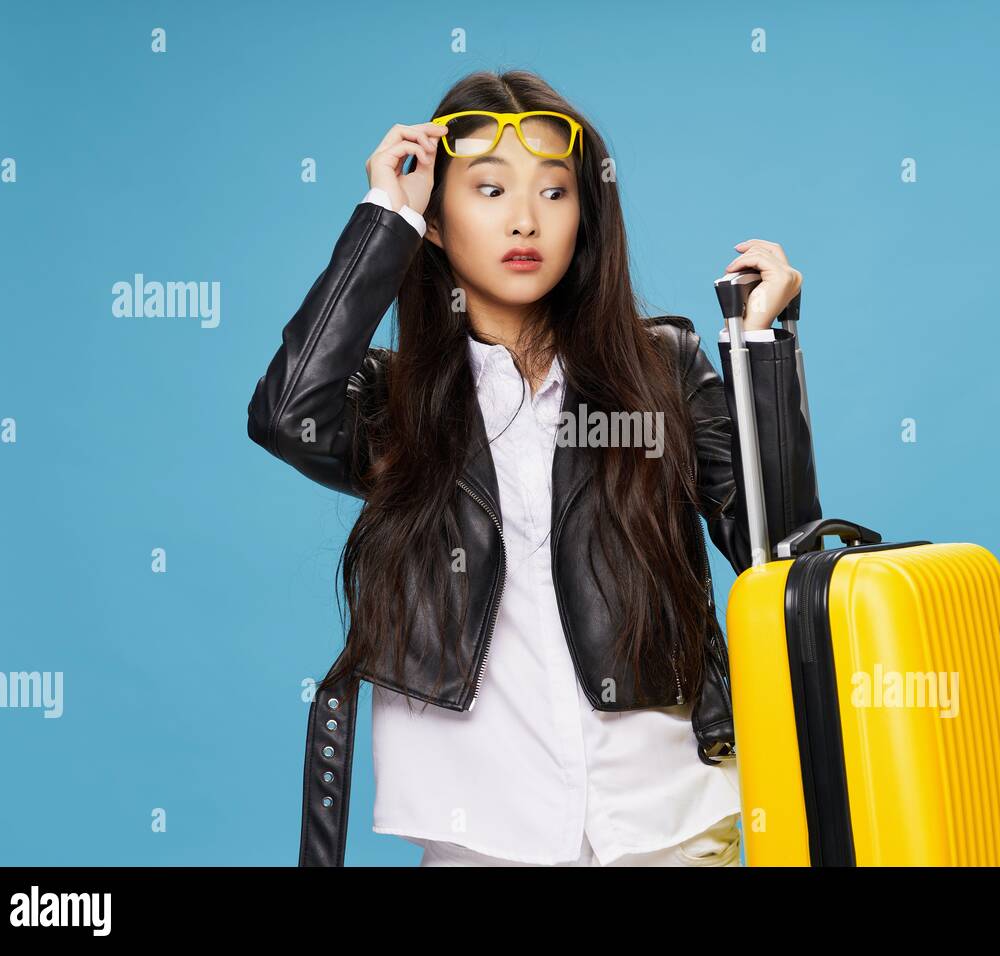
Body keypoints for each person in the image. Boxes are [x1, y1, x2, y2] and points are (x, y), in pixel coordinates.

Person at [247, 68, 819, 867]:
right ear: (436, 224)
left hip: (674, 826)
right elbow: (286, 415)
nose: (525, 219)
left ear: (585, 216)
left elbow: (781, 551)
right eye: (487, 190)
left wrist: (762, 352)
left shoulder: (662, 371)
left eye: (554, 193)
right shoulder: (396, 403)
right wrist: (384, 219)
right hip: (481, 832)